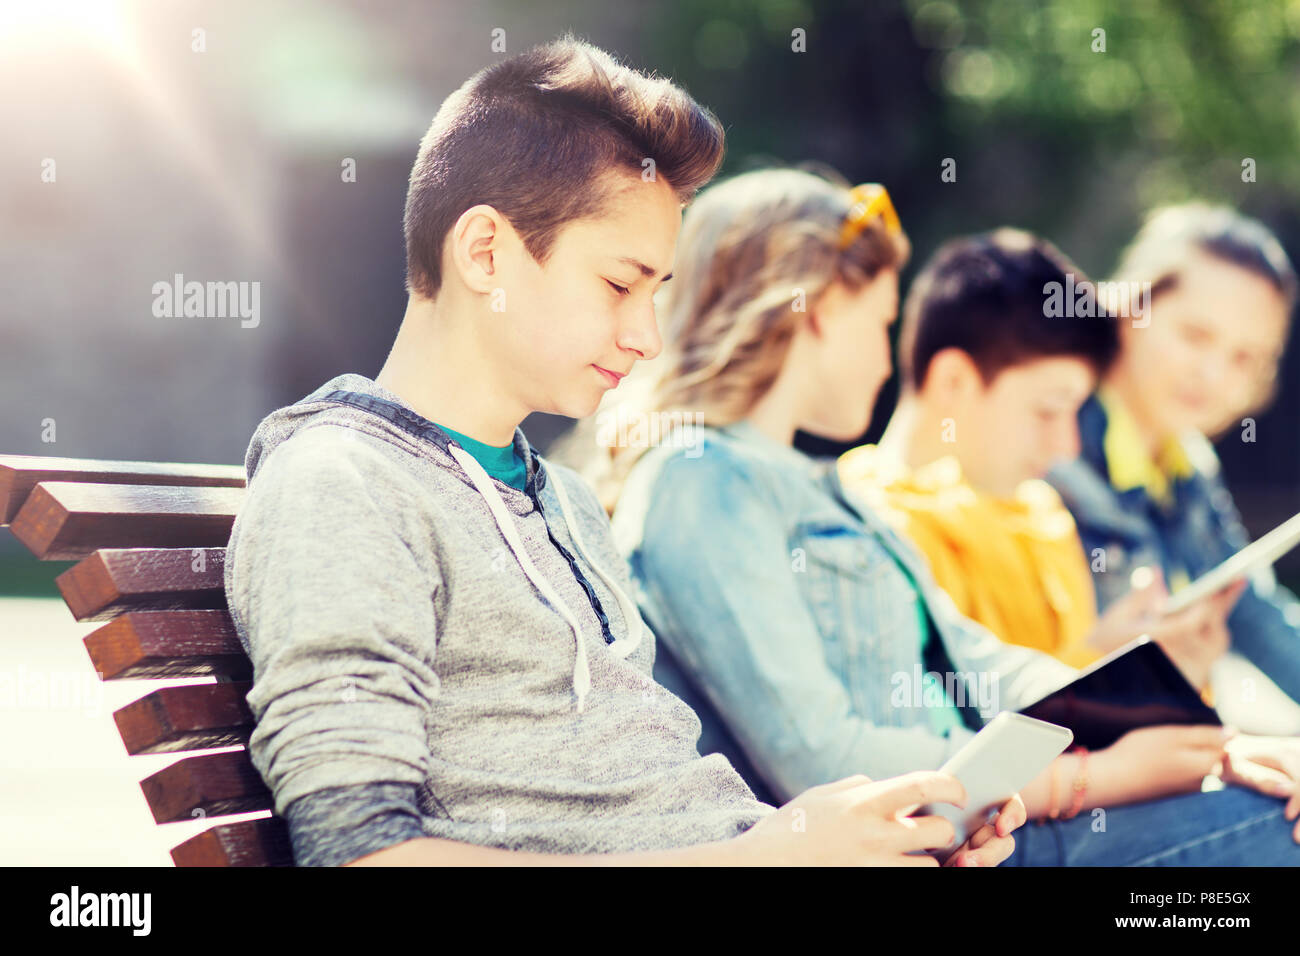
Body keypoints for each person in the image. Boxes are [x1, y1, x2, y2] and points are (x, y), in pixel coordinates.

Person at [224, 37, 1019, 867]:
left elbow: (657, 809)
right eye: (618, 284)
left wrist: (852, 839)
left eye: (656, 294)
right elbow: (359, 854)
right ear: (485, 252)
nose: (646, 337)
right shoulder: (342, 482)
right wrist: (770, 857)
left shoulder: (562, 501)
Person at [595, 165, 1300, 864]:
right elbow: (821, 757)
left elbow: (983, 664)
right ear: (814, 313)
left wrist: (1186, 732)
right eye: (879, 324)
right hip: (945, 832)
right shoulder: (700, 481)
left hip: (980, 823)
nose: (887, 361)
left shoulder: (821, 489)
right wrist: (1091, 775)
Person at [840, 229, 1244, 693]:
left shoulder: (1044, 518)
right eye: (1048, 409)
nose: (1067, 447)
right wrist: (1097, 668)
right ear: (954, 382)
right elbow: (944, 738)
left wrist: (1156, 674)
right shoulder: (860, 528)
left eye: (1076, 412)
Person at [1044, 204, 1300, 729]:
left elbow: (1251, 610)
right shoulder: (1049, 441)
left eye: (1245, 357)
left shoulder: (1188, 462)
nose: (1213, 376)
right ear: (1131, 307)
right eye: (1195, 336)